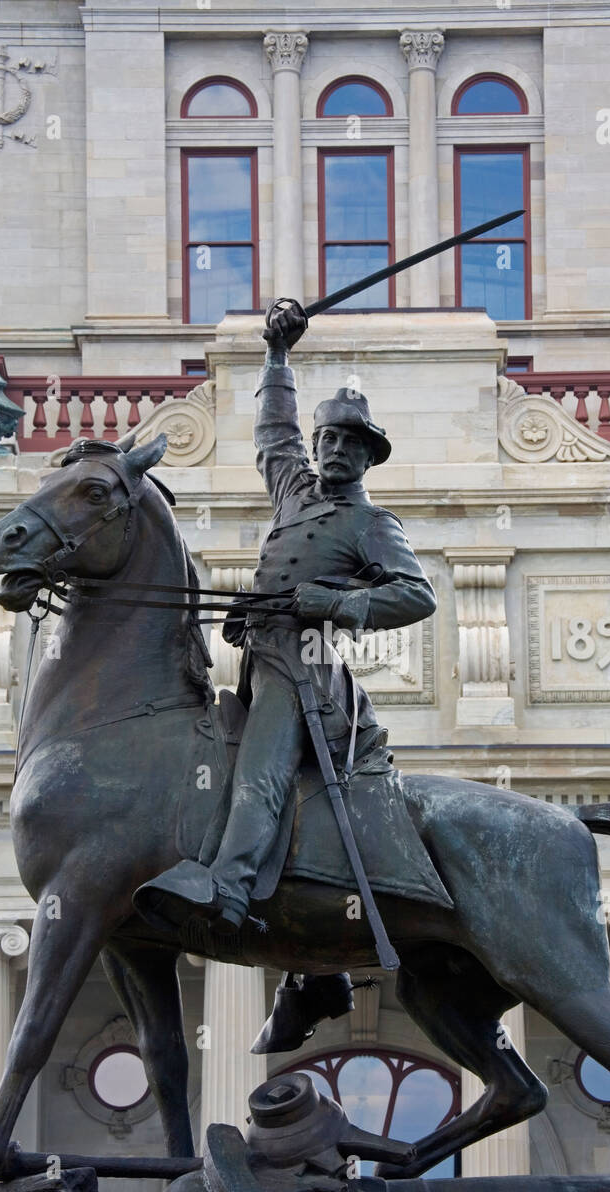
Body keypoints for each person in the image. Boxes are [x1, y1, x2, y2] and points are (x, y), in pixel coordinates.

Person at [134, 297, 436, 1048]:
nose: (333, 449)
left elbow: (414, 595)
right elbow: (273, 432)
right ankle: (313, 966)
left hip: (304, 671)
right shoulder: (295, 491)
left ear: (369, 456)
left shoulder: (371, 524)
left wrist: (332, 603)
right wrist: (276, 354)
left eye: (349, 442)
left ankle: (228, 890)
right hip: (263, 653)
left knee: (262, 770)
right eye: (327, 436)